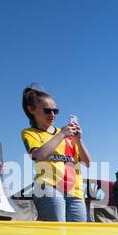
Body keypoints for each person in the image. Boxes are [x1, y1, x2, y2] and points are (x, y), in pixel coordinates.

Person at [19, 85, 91, 221]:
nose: (52, 115)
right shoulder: (30, 133)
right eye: (47, 111)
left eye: (55, 111)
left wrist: (79, 140)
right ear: (31, 110)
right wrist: (62, 134)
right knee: (58, 233)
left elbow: (87, 163)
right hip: (48, 187)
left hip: (74, 190)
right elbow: (39, 155)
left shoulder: (68, 135)